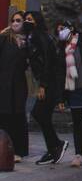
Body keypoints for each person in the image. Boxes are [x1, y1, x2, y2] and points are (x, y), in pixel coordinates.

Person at [55, 19, 82, 169]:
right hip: (73, 90)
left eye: (63, 28)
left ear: (71, 29)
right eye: (58, 30)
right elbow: (60, 73)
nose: (60, 32)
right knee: (78, 122)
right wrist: (61, 97)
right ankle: (78, 154)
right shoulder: (62, 48)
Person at [28, 11, 68, 165]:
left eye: (30, 19)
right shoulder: (33, 37)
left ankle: (56, 145)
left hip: (50, 83)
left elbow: (48, 63)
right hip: (48, 82)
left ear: (37, 21)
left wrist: (43, 85)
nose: (27, 22)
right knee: (41, 114)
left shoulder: (41, 37)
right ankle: (54, 147)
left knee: (38, 113)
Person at [0, 10, 30, 160]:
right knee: (4, 116)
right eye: (13, 20)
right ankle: (3, 149)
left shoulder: (28, 42)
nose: (15, 23)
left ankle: (19, 150)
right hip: (3, 83)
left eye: (19, 20)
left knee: (18, 116)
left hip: (18, 84)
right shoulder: (4, 38)